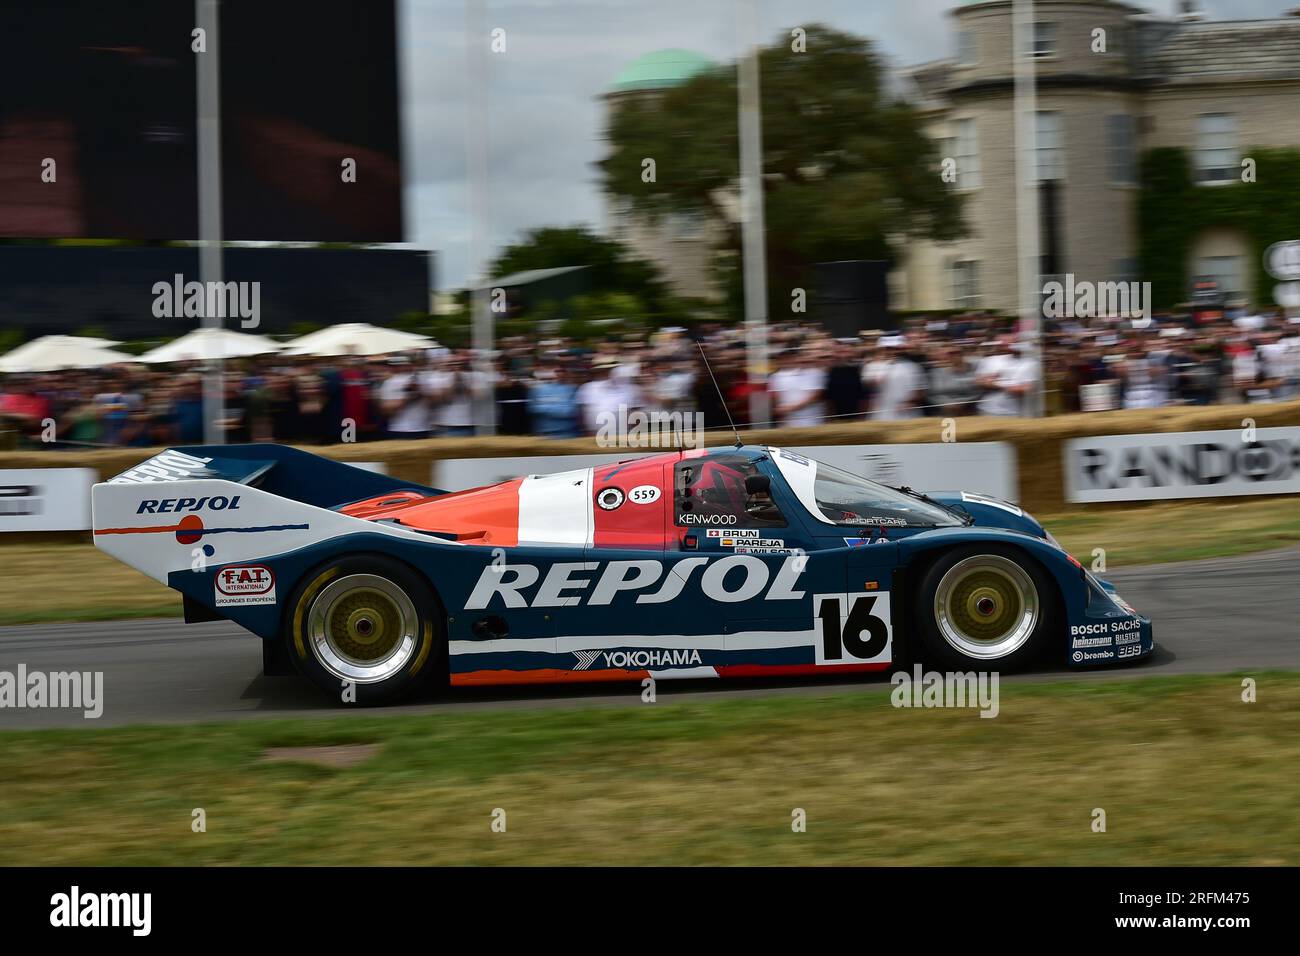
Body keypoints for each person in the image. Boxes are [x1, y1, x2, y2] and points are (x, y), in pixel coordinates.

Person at [863, 335, 924, 420]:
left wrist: (910, 403)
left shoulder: (912, 366)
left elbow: (919, 391)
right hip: (880, 415)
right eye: (888, 348)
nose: (892, 351)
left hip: (907, 415)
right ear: (881, 349)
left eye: (895, 348)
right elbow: (868, 388)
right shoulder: (871, 366)